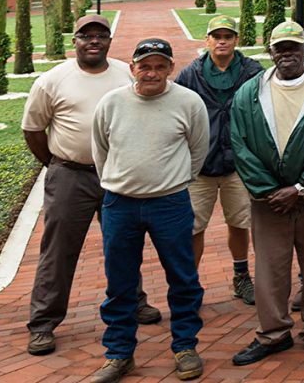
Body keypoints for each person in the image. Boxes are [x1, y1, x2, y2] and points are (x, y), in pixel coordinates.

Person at [21, 14, 160, 356]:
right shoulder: (53, 80)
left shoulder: (124, 74)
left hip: (117, 174)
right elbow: (33, 130)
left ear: (110, 41)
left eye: (100, 35)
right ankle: (43, 323)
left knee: (124, 244)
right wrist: (57, 163)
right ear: (76, 42)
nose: (93, 41)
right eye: (86, 36)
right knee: (59, 250)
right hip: (71, 175)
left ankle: (135, 302)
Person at [88, 39, 210, 383]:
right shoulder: (111, 103)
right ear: (132, 68)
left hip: (170, 203)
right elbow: (100, 151)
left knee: (183, 279)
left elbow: (198, 149)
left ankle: (185, 347)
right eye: (145, 66)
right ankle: (119, 354)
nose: (152, 73)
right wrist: (119, 182)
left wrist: (175, 181)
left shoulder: (189, 102)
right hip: (119, 204)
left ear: (171, 68)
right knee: (120, 283)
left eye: (159, 66)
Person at [229, 20, 304, 365]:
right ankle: (273, 333)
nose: (287, 54)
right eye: (280, 48)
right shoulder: (249, 93)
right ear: (270, 52)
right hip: (268, 202)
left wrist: (300, 187)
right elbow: (241, 145)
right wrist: (269, 191)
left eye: (294, 47)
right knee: (269, 268)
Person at [175, 15, 264, 306]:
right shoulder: (192, 74)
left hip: (238, 164)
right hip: (199, 165)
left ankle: (241, 276)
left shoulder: (252, 71)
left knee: (239, 221)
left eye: (228, 36)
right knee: (193, 227)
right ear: (207, 41)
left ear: (236, 40)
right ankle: (189, 285)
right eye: (216, 36)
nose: (222, 41)